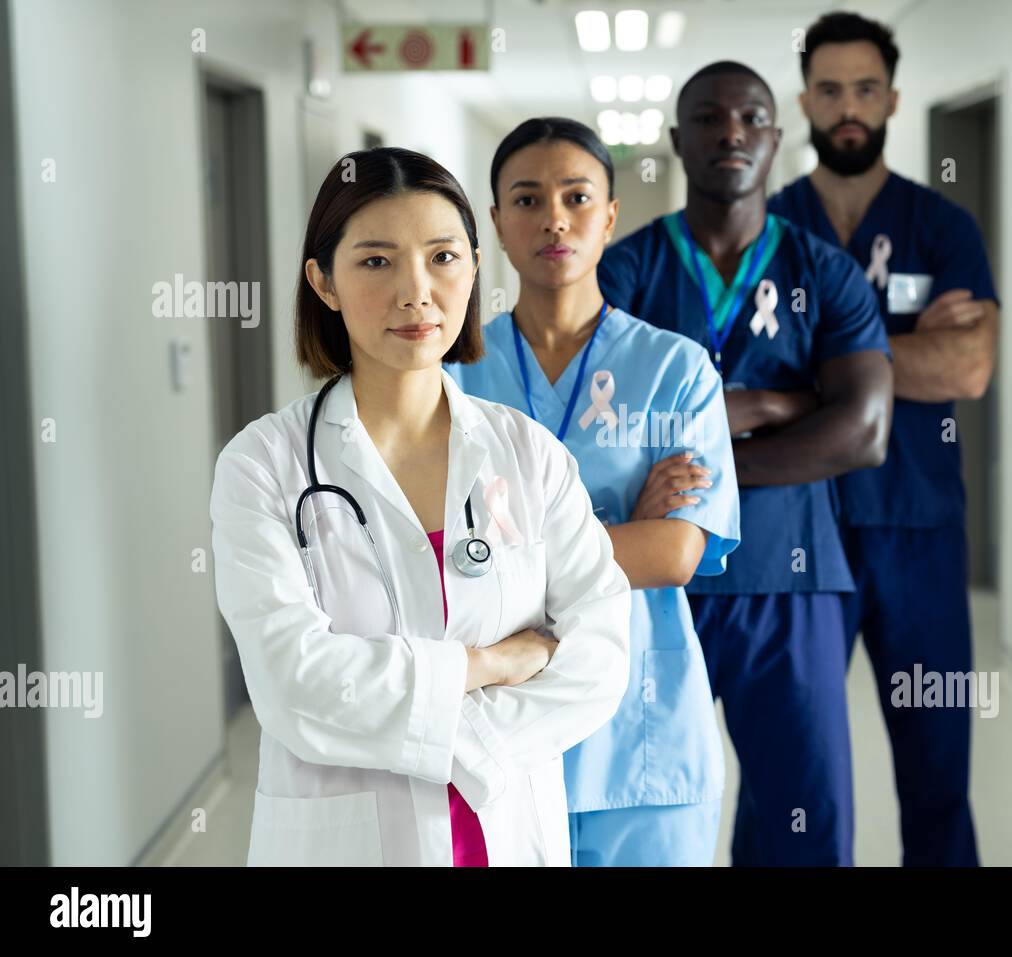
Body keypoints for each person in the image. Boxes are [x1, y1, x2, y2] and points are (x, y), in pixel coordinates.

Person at [209, 146, 631, 867]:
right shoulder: (264, 464)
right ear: (324, 280)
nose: (416, 291)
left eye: (442, 257)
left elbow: (599, 659)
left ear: (472, 265)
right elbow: (295, 684)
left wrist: (466, 742)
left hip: (506, 831)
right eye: (376, 261)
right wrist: (491, 661)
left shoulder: (528, 455)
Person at [598, 62, 894, 866]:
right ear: (677, 140)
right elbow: (609, 430)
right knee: (644, 807)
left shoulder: (822, 271)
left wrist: (707, 434)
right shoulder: (624, 272)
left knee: (805, 816)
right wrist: (787, 400)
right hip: (658, 586)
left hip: (790, 582)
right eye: (708, 118)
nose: (731, 132)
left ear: (775, 135)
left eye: (752, 117)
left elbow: (863, 429)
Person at [449, 117, 741, 866]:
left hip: (644, 746)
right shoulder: (452, 378)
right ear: (496, 225)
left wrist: (511, 544)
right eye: (527, 199)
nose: (554, 218)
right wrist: (622, 531)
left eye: (577, 196)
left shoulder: (676, 371)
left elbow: (676, 552)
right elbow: (438, 558)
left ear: (610, 216)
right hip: (495, 745)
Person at [769, 12, 1000, 866]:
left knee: (938, 774)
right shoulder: (768, 230)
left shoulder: (944, 228)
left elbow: (970, 365)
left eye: (866, 88)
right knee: (787, 778)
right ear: (805, 101)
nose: (848, 107)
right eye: (830, 90)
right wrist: (907, 351)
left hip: (919, 533)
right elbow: (732, 383)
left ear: (893, 98)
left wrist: (816, 365)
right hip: (795, 539)